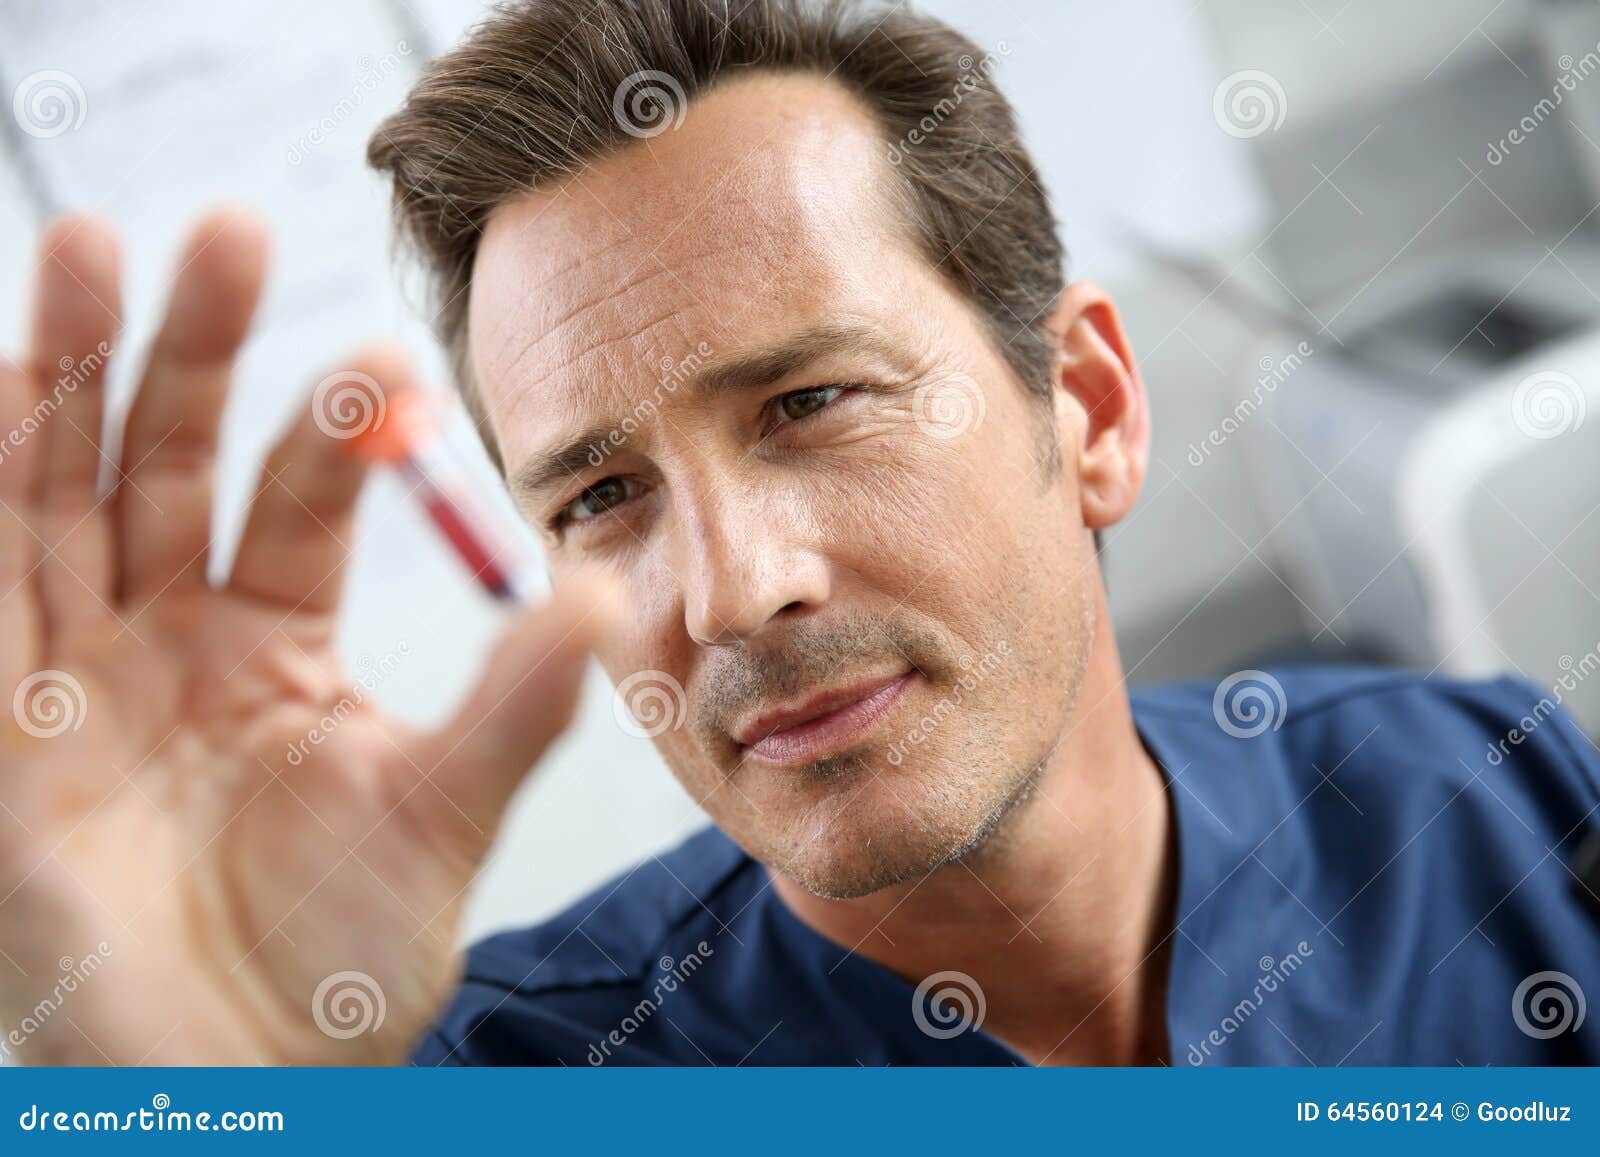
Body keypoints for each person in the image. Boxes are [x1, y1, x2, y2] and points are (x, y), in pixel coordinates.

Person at [2, 0, 1597, 1067]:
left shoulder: (1475, 795)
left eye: (812, 402)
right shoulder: (528, 1072)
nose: (736, 588)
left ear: (1088, 409)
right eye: (603, 495)